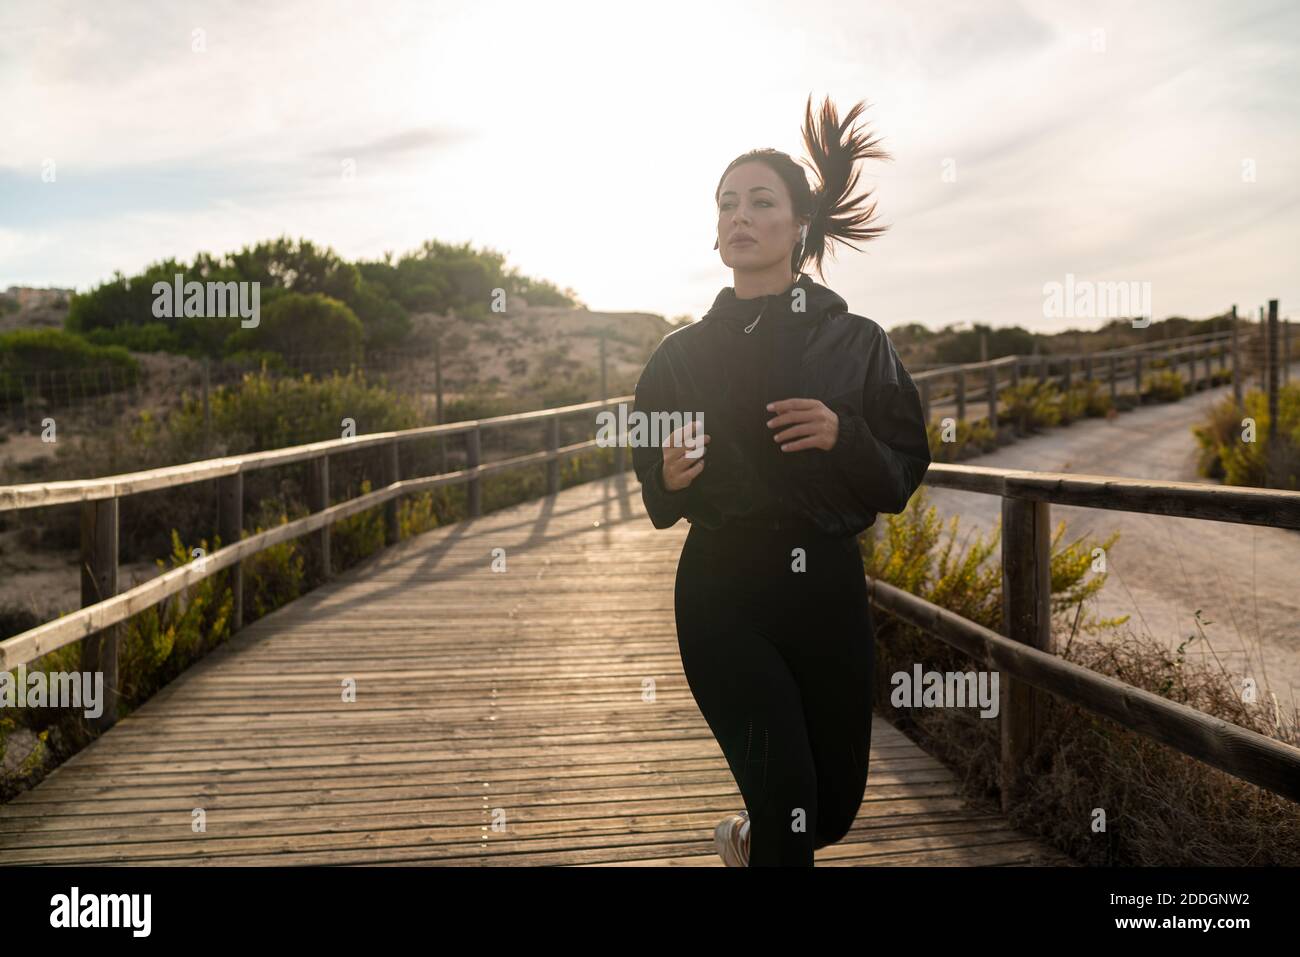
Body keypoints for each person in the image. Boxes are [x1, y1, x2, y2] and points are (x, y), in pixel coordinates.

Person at [629, 94, 932, 866]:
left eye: (760, 200)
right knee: (791, 802)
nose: (740, 214)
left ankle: (747, 841)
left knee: (830, 809)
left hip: (826, 586)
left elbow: (903, 467)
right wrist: (665, 472)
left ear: (799, 224)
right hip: (721, 592)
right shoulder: (679, 355)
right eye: (727, 203)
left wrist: (843, 432)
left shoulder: (858, 343)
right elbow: (654, 483)